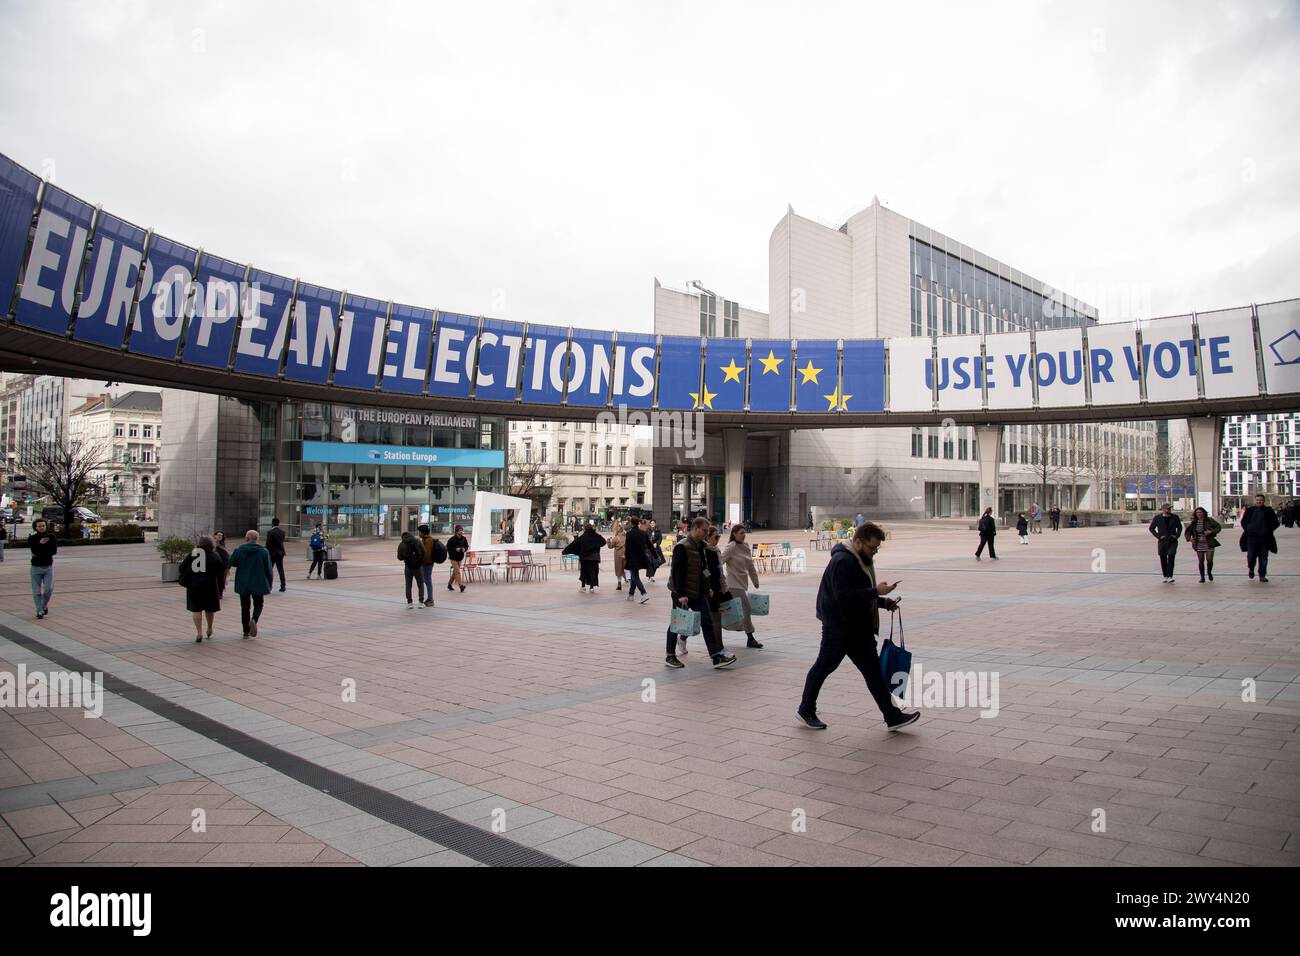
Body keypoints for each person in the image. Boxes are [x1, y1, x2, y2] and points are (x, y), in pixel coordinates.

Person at [797, 521, 918, 732]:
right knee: (823, 667)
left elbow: (858, 593)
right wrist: (876, 592)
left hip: (858, 628)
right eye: (872, 547)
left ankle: (892, 716)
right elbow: (843, 596)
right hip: (839, 628)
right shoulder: (843, 560)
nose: (875, 552)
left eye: (877, 548)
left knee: (873, 672)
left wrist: (882, 603)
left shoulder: (859, 559)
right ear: (859, 542)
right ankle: (806, 709)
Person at [664, 517, 736, 670]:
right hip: (681, 593)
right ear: (695, 528)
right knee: (678, 623)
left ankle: (716, 656)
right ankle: (670, 655)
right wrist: (681, 593)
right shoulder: (682, 546)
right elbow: (677, 572)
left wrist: (707, 587)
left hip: (697, 592)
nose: (706, 533)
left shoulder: (701, 546)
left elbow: (703, 570)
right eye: (704, 530)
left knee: (707, 621)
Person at [720, 524, 763, 649]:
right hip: (733, 584)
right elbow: (720, 561)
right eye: (741, 533)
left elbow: (750, 565)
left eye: (744, 533)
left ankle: (720, 626)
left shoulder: (746, 546)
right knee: (746, 609)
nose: (743, 535)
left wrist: (755, 580)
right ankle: (750, 638)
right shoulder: (731, 547)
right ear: (734, 534)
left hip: (742, 583)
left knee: (725, 611)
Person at [228, 530, 273, 638]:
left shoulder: (239, 550)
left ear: (246, 538)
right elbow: (269, 569)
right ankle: (254, 620)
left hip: (243, 582)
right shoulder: (263, 552)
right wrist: (269, 583)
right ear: (257, 539)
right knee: (258, 604)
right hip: (259, 582)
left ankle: (245, 630)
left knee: (245, 607)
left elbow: (232, 562)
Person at [180, 536, 224, 643]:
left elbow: (181, 568)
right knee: (209, 608)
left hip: (194, 585)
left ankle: (199, 632)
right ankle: (209, 628)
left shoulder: (193, 554)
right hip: (210, 586)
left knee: (196, 609)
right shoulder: (214, 555)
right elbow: (220, 569)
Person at [1240, 494, 1279, 583]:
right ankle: (1251, 568)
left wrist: (1268, 530)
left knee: (1263, 557)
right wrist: (1248, 529)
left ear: (1263, 501)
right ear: (1255, 500)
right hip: (1251, 538)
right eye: (1257, 500)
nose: (1259, 501)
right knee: (1251, 556)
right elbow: (1243, 522)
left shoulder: (1268, 511)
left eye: (1260, 500)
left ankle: (1262, 575)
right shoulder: (1250, 510)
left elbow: (1276, 523)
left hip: (1264, 539)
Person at [27, 518, 57, 619]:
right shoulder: (32, 538)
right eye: (39, 526)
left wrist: (42, 549)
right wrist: (40, 544)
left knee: (49, 589)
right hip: (35, 567)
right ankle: (39, 610)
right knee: (37, 591)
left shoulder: (51, 537)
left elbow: (53, 551)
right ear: (35, 527)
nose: (41, 527)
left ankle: (43, 605)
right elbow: (34, 551)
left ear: (46, 526)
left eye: (43, 526)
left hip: (48, 566)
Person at [1183, 506, 1221, 583]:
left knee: (1209, 560)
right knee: (1201, 560)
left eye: (1200, 512)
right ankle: (1202, 577)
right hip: (1199, 543)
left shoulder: (1209, 520)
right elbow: (1187, 532)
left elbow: (1218, 527)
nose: (1199, 514)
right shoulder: (1194, 522)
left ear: (1203, 513)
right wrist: (1190, 539)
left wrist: (1211, 532)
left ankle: (1209, 572)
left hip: (1209, 542)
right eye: (1197, 513)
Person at [566, 523, 606, 593]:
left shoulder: (584, 536)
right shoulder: (596, 536)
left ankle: (583, 587)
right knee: (593, 572)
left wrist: (566, 551)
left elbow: (575, 543)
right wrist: (596, 546)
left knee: (584, 572)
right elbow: (603, 541)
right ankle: (591, 588)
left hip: (585, 558)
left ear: (585, 529)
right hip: (594, 557)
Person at [1149, 502, 1183, 584]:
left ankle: (1170, 576)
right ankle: (1165, 576)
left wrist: (1176, 535)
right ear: (1163, 509)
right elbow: (1151, 528)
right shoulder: (1157, 518)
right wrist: (1158, 536)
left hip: (1172, 540)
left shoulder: (1175, 517)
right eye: (1167, 508)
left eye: (1170, 508)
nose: (1169, 510)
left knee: (1171, 555)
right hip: (1162, 541)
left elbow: (1179, 527)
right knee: (1163, 558)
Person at [623, 517, 652, 604]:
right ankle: (631, 594)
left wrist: (627, 558)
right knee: (634, 575)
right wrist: (655, 555)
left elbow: (627, 548)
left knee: (635, 576)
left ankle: (643, 593)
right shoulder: (643, 533)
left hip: (632, 558)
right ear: (638, 523)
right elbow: (650, 545)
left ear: (631, 523)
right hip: (641, 557)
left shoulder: (629, 534)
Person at [398, 530, 426, 608]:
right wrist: (419, 560)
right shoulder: (418, 541)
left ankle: (409, 603)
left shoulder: (402, 544)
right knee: (420, 584)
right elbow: (424, 552)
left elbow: (399, 557)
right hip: (418, 567)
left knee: (408, 585)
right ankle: (421, 602)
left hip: (408, 567)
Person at [417, 524, 438, 607]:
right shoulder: (424, 539)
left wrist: (422, 562)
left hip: (427, 564)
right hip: (426, 563)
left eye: (419, 532)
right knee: (426, 580)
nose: (418, 533)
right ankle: (429, 598)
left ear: (423, 532)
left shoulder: (428, 540)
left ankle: (430, 599)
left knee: (427, 581)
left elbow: (427, 553)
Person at [266, 517, 287, 592]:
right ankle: (283, 585)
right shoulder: (282, 532)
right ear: (279, 523)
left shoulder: (270, 532)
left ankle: (269, 585)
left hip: (272, 554)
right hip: (280, 553)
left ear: (272, 523)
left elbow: (268, 545)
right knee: (280, 569)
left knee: (269, 570)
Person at [447, 524, 468, 592]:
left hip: (460, 558)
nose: (461, 531)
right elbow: (448, 547)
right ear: (456, 531)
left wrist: (464, 549)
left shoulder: (464, 538)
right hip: (453, 558)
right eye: (459, 530)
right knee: (458, 572)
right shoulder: (451, 539)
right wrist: (455, 549)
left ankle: (449, 584)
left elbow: (466, 546)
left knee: (455, 572)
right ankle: (461, 586)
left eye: (462, 530)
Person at [608, 520, 626, 591]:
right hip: (625, 554)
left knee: (618, 569)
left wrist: (608, 541)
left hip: (618, 555)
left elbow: (610, 546)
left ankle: (619, 583)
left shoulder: (615, 538)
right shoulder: (626, 536)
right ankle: (630, 581)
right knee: (626, 568)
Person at [213, 531, 231, 600]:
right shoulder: (213, 544)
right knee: (217, 580)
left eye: (221, 535)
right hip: (216, 565)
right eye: (218, 535)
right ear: (215, 536)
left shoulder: (223, 544)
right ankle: (216, 593)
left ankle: (220, 594)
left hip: (223, 566)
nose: (220, 536)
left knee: (221, 580)